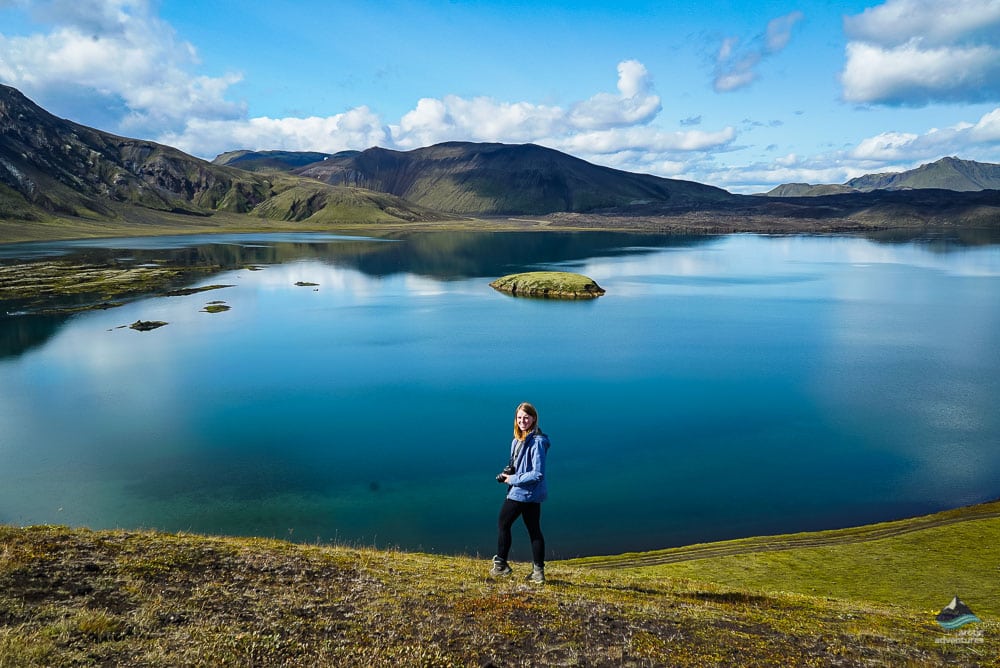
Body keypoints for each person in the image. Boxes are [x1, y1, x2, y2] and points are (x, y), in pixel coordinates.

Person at [490, 401, 550, 583]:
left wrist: (513, 480)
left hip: (523, 492)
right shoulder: (518, 440)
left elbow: (537, 474)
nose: (522, 421)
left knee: (503, 523)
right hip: (531, 494)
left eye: (526, 417)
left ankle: (501, 565)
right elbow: (518, 466)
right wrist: (507, 473)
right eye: (519, 418)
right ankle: (538, 573)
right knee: (534, 530)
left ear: (534, 419)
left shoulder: (537, 442)